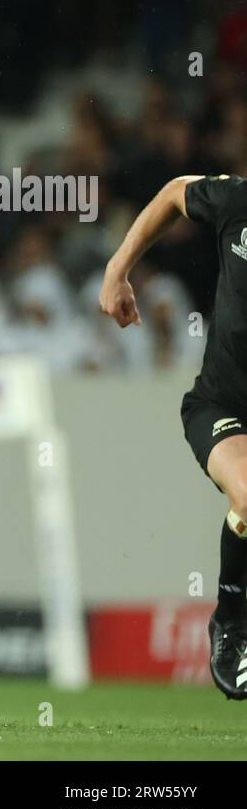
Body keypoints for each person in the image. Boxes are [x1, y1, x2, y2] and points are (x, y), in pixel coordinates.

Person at [99, 174, 247, 700]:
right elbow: (171, 193)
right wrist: (118, 269)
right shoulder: (237, 201)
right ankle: (231, 625)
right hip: (220, 406)